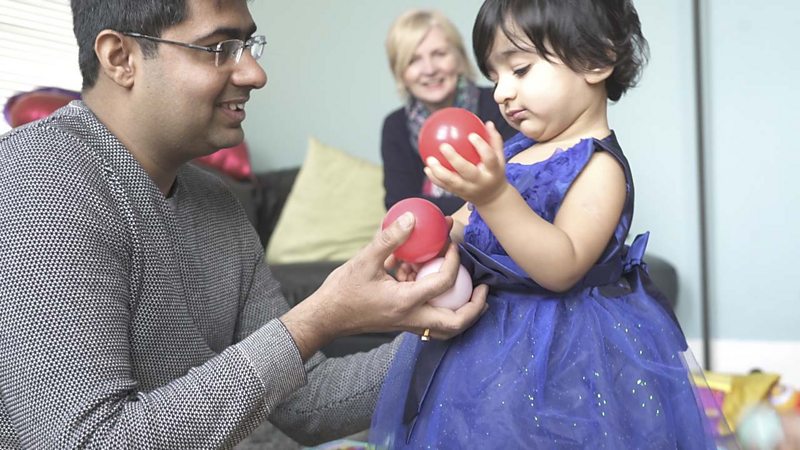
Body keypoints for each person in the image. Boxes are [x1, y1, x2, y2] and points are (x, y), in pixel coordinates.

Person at [0, 0, 490, 448]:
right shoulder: (39, 175)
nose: (255, 73)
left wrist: (449, 333)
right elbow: (85, 441)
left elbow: (308, 403)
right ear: (120, 58)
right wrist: (318, 319)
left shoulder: (217, 203)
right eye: (220, 48)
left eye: (249, 45)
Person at [369, 0, 717, 448]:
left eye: (520, 70)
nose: (501, 92)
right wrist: (428, 241)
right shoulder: (515, 150)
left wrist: (494, 196)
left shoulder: (599, 166)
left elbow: (561, 266)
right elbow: (464, 221)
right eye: (495, 76)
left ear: (595, 60)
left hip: (565, 354)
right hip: (486, 346)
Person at [381, 9, 516, 216]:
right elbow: (399, 205)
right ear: (399, 71)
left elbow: (517, 185)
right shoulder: (395, 126)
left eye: (439, 54)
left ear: (459, 58)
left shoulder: (500, 103)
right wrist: (477, 199)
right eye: (413, 60)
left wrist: (428, 205)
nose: (429, 69)